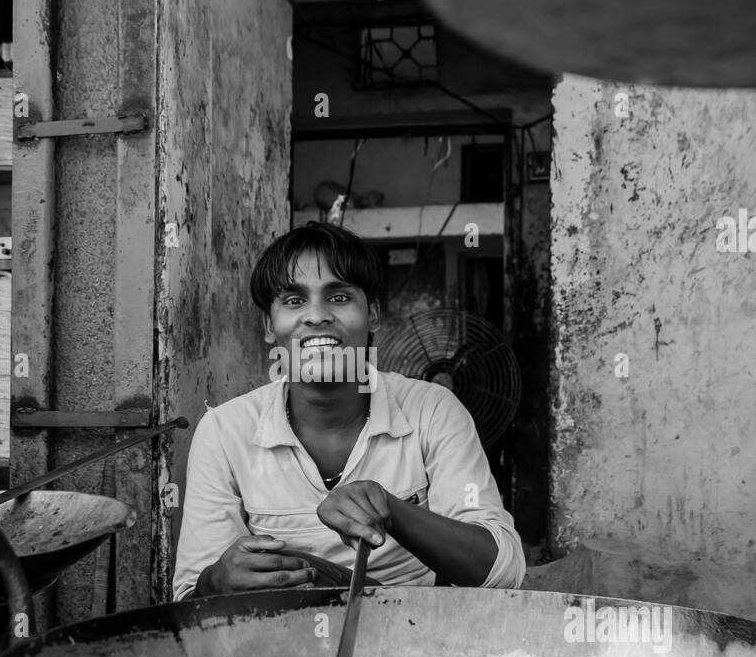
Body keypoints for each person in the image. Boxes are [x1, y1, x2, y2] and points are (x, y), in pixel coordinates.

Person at [172, 222, 525, 599]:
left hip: (417, 636)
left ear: (372, 315)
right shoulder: (225, 432)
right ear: (269, 326)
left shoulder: (433, 411)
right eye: (294, 301)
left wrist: (390, 509)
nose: (317, 315)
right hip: (278, 643)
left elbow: (503, 571)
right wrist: (216, 581)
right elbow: (189, 597)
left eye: (339, 298)